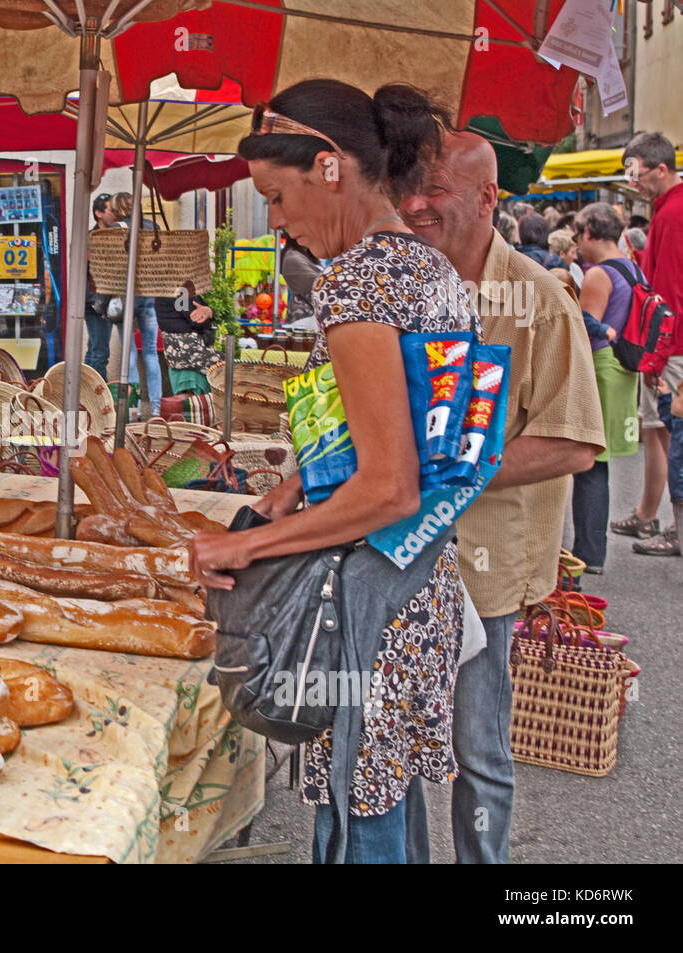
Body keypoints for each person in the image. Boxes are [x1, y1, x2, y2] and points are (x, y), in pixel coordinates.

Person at [192, 78, 469, 864]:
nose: (277, 221)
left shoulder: (357, 284)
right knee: (380, 806)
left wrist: (244, 549)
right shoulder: (427, 267)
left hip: (360, 606)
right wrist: (301, 484)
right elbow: (414, 441)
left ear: (330, 167)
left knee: (356, 826)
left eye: (276, 198)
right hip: (420, 586)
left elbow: (388, 486)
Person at [398, 131, 603, 864]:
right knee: (389, 747)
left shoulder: (541, 299)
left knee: (476, 749)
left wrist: (450, 472)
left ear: (489, 197)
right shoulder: (404, 284)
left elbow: (575, 441)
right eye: (409, 186)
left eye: (436, 188)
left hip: (482, 570)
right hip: (395, 550)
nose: (415, 203)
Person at [611, 132, 683, 556]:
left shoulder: (672, 214)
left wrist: (657, 356)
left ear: (660, 168)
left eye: (636, 171)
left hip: (672, 345)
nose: (632, 180)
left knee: (667, 434)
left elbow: (671, 293)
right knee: (659, 432)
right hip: (671, 343)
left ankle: (669, 525)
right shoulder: (667, 211)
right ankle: (649, 513)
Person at [569, 203, 641, 576]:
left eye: (578, 234)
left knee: (589, 462)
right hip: (624, 368)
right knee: (600, 461)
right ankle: (593, 550)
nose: (577, 243)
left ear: (590, 234)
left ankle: (588, 553)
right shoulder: (632, 266)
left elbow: (584, 325)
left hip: (600, 366)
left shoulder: (600, 274)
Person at [108, 191, 162, 418]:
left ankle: (133, 410)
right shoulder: (152, 227)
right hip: (150, 294)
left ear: (117, 208)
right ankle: (157, 409)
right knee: (150, 353)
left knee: (129, 354)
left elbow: (109, 265)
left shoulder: (114, 231)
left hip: (125, 296)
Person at [155, 280, 219, 380]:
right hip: (188, 351)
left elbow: (203, 310)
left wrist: (209, 311)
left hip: (180, 351)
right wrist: (209, 314)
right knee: (229, 369)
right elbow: (197, 321)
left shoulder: (172, 288)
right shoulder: (180, 291)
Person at [83, 193, 115, 382]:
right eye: (111, 210)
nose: (116, 214)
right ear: (99, 213)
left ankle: (83, 391)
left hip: (106, 301)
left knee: (95, 348)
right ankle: (96, 394)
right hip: (96, 302)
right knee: (100, 352)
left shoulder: (114, 236)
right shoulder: (91, 238)